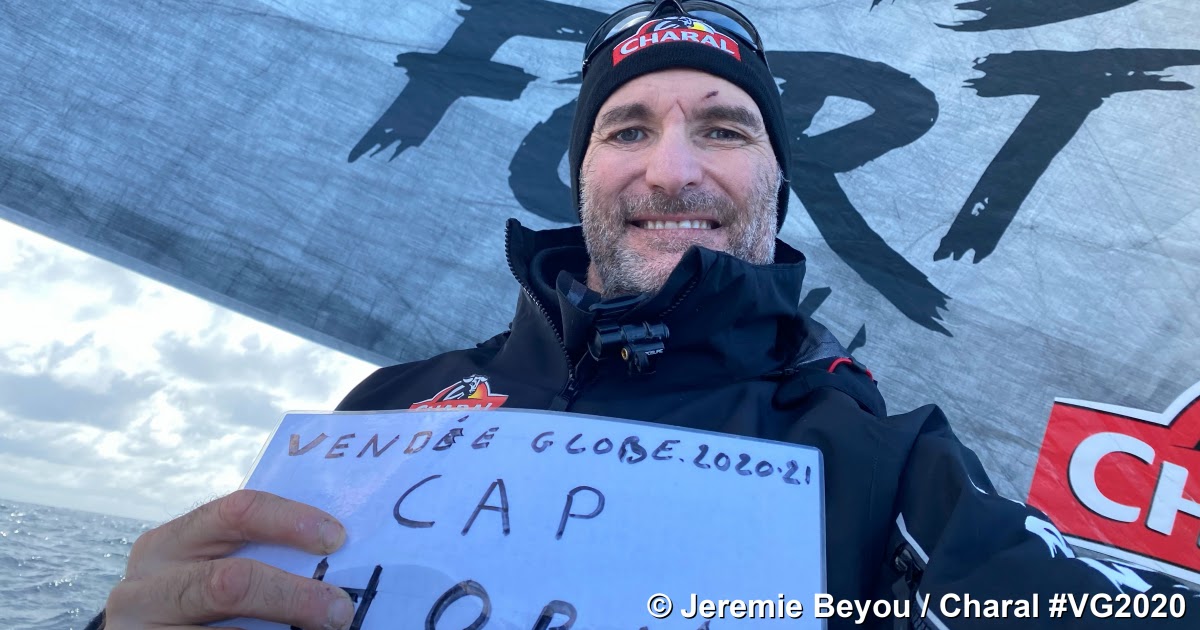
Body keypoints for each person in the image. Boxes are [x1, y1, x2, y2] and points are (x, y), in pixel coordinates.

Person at [90, 1, 1195, 628]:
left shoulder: (885, 465)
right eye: (626, 131)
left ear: (774, 182)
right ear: (578, 178)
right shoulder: (392, 404)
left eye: (722, 130)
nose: (672, 170)